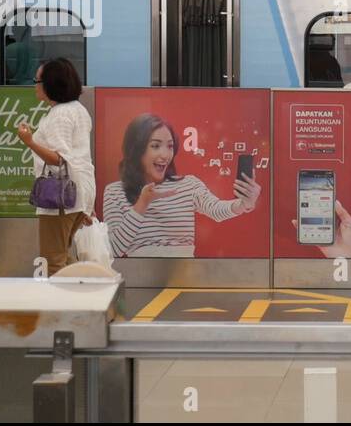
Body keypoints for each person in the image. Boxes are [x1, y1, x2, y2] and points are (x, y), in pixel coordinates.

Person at [102, 113, 261, 257]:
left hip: (184, 276)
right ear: (136, 149)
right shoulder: (114, 192)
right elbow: (114, 250)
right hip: (139, 279)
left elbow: (216, 209)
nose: (165, 155)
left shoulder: (188, 184)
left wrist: (243, 204)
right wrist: (142, 204)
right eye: (155, 146)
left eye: (170, 146)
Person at [16, 58, 95, 275]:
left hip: (59, 197)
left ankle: (65, 307)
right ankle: (80, 302)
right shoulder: (77, 109)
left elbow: (60, 159)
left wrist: (30, 141)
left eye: (37, 80)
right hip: (79, 192)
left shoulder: (59, 115)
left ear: (51, 83)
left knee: (52, 260)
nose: (34, 85)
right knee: (63, 254)